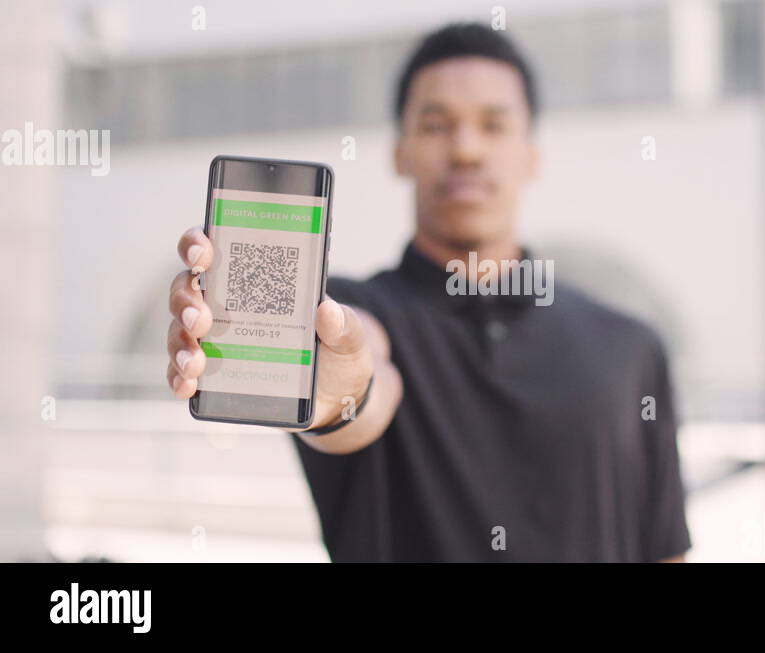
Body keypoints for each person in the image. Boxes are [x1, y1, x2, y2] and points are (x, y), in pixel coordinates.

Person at [165, 23, 691, 562]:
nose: (465, 149)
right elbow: (363, 370)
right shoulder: (345, 314)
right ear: (401, 152)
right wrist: (341, 395)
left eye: (493, 125)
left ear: (531, 155)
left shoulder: (630, 348)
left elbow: (666, 550)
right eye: (437, 125)